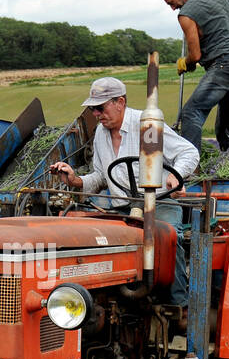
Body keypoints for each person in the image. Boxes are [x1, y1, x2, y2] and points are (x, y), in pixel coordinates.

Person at [49, 76, 198, 305]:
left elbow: (188, 153)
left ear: (120, 102)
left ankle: (179, 306)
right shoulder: (100, 133)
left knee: (168, 239)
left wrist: (175, 175)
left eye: (100, 108)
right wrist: (75, 180)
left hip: (158, 204)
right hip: (122, 208)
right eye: (93, 109)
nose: (96, 114)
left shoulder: (146, 125)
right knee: (102, 244)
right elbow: (100, 175)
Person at [161, 0, 229, 152]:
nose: (173, 8)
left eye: (171, 2)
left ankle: (189, 166)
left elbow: (196, 55)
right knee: (225, 126)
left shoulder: (186, 15)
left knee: (191, 113)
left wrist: (185, 62)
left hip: (223, 64)